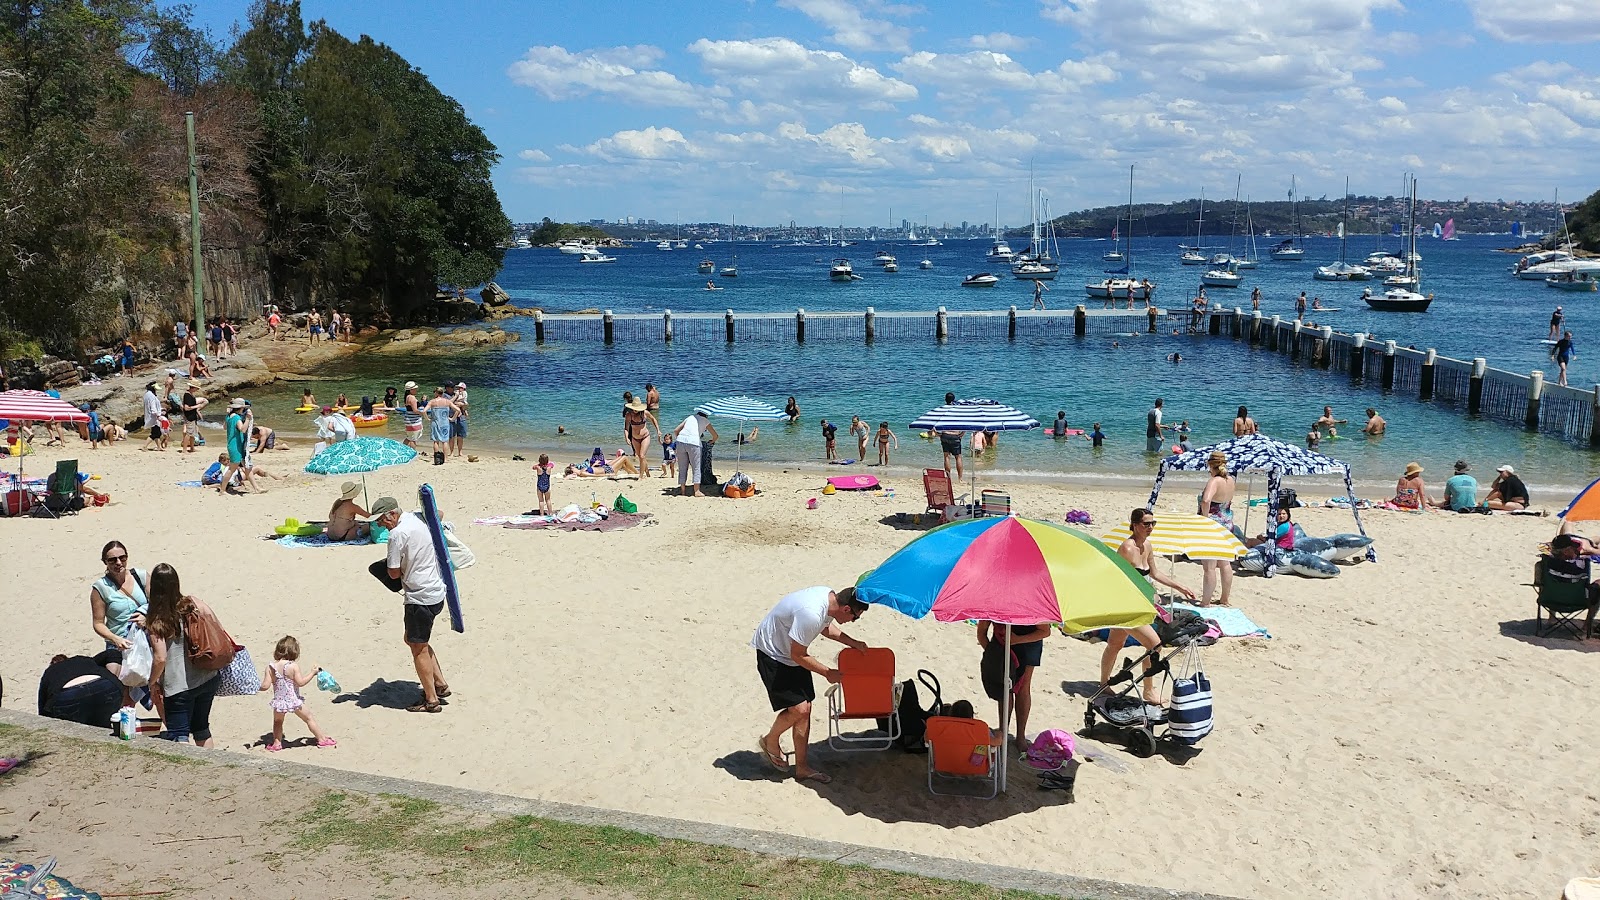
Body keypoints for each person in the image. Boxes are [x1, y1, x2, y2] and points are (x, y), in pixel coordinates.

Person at [751, 586, 870, 784]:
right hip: (773, 653)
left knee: (805, 709)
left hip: (791, 653)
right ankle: (770, 740)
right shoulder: (811, 613)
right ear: (847, 609)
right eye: (856, 617)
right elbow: (797, 654)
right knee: (798, 709)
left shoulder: (829, 599)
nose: (854, 621)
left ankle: (802, 768)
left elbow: (826, 627)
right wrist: (827, 673)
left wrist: (853, 643)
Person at [367, 497, 452, 713]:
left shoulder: (397, 534)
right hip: (436, 591)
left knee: (418, 647)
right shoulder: (416, 518)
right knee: (414, 640)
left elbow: (394, 572)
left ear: (392, 515)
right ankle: (440, 684)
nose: (380, 525)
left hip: (419, 596)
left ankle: (431, 700)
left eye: (381, 520)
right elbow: (439, 513)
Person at [1113, 509, 1194, 703]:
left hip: (1142, 604)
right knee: (1154, 645)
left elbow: (1155, 573)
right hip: (1128, 606)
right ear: (1134, 525)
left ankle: (1102, 684)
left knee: (1114, 645)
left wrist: (1179, 586)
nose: (1150, 528)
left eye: (1153, 523)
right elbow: (1118, 579)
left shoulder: (1147, 545)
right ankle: (1149, 690)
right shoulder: (1127, 548)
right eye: (1146, 524)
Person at [144, 563, 220, 745]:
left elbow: (160, 657)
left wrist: (152, 681)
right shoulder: (192, 603)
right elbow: (214, 622)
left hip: (178, 687)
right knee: (202, 729)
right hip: (207, 676)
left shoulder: (156, 619)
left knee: (179, 734)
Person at [977, 619, 1046, 747]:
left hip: (1029, 642)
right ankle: (1003, 731)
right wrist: (993, 653)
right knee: (1005, 688)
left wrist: (1016, 640)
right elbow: (981, 633)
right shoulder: (992, 601)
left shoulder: (1032, 603)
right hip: (1002, 643)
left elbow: (1045, 631)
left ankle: (1020, 736)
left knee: (1023, 688)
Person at [260, 636, 335, 751]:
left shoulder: (270, 667)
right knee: (309, 718)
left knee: (278, 722)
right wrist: (313, 673)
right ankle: (321, 739)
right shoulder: (293, 666)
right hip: (293, 700)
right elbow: (300, 683)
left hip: (279, 701)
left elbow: (265, 686)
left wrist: (253, 686)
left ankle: (277, 743)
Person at [38, 649, 125, 728]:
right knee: (103, 725)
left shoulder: (50, 671)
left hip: (68, 694)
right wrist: (110, 679)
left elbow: (43, 705)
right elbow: (113, 653)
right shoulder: (82, 660)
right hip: (106, 684)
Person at [90, 540, 147, 651]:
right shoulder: (101, 588)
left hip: (145, 639)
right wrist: (115, 639)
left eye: (122, 558)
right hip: (119, 646)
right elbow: (98, 623)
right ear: (105, 562)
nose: (118, 562)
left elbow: (157, 602)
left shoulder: (140, 576)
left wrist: (146, 616)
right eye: (112, 560)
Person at [1198, 450, 1236, 606]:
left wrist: (1205, 519)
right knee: (1225, 563)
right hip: (1227, 523)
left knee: (1210, 567)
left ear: (1210, 464)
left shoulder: (1214, 481)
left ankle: (1205, 602)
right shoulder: (1231, 480)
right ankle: (1224, 599)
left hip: (1212, 525)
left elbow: (1206, 501)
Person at [218, 399, 260, 494]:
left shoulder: (229, 416)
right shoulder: (237, 418)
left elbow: (224, 427)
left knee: (247, 467)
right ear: (241, 408)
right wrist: (248, 419)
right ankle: (222, 490)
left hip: (235, 445)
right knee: (232, 469)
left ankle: (256, 488)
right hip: (236, 446)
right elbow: (243, 429)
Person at [672, 409, 716, 496]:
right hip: (694, 443)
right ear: (706, 415)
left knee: (682, 467)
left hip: (680, 441)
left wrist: (680, 439)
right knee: (696, 467)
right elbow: (715, 435)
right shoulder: (706, 420)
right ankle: (696, 491)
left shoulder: (690, 417)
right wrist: (712, 441)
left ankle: (683, 491)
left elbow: (676, 430)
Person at [622, 393, 657, 478]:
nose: (635, 410)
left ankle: (641, 476)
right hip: (635, 438)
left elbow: (653, 419)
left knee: (642, 455)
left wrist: (658, 430)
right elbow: (626, 427)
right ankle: (647, 472)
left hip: (645, 436)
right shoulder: (629, 415)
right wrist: (626, 437)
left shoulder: (645, 413)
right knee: (641, 457)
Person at [425, 387, 455, 462]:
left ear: (436, 393)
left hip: (435, 422)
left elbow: (424, 411)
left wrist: (427, 418)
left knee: (436, 441)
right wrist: (452, 418)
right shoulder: (447, 401)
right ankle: (445, 458)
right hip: (445, 423)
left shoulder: (432, 401)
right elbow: (457, 410)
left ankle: (436, 458)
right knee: (445, 441)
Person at [179, 381, 203, 453]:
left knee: (193, 433)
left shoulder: (190, 394)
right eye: (197, 388)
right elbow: (186, 408)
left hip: (192, 416)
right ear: (194, 387)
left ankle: (192, 448)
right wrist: (197, 406)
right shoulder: (187, 395)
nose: (197, 390)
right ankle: (184, 449)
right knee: (189, 433)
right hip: (189, 417)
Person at [141, 382, 164, 451]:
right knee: (155, 433)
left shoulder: (146, 395)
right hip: (154, 417)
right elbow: (153, 407)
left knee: (156, 432)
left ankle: (159, 447)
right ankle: (145, 446)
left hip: (150, 416)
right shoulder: (152, 396)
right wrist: (158, 415)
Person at [449, 383, 470, 458]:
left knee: (460, 435)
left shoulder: (464, 394)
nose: (458, 389)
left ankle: (460, 452)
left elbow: (465, 404)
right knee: (452, 436)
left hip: (461, 416)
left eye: (460, 388)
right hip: (453, 415)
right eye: (457, 388)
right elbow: (450, 403)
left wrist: (462, 405)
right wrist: (457, 397)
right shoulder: (454, 394)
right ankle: (451, 452)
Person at [401, 381, 423, 448]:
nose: (416, 390)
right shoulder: (412, 398)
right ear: (411, 390)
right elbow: (415, 410)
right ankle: (413, 452)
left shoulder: (407, 397)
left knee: (409, 437)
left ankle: (402, 449)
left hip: (409, 419)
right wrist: (423, 412)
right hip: (414, 421)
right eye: (415, 389)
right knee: (413, 439)